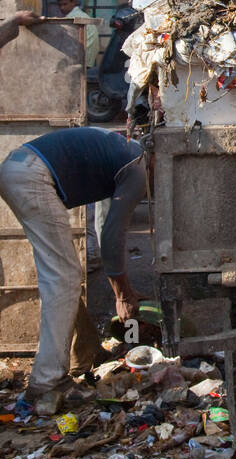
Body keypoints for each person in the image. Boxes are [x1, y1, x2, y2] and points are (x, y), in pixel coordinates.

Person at [0, 128, 146, 415]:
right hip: (31, 176)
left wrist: (123, 287)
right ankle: (47, 382)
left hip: (18, 168)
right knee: (63, 277)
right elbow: (113, 238)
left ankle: (83, 352)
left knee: (60, 274)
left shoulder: (124, 153)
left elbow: (106, 231)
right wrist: (124, 296)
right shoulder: (138, 166)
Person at [55, 0, 99, 69]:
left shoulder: (72, 18)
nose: (62, 8)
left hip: (82, 58)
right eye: (60, 5)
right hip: (89, 58)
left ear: (74, 2)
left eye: (65, 4)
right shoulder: (80, 15)